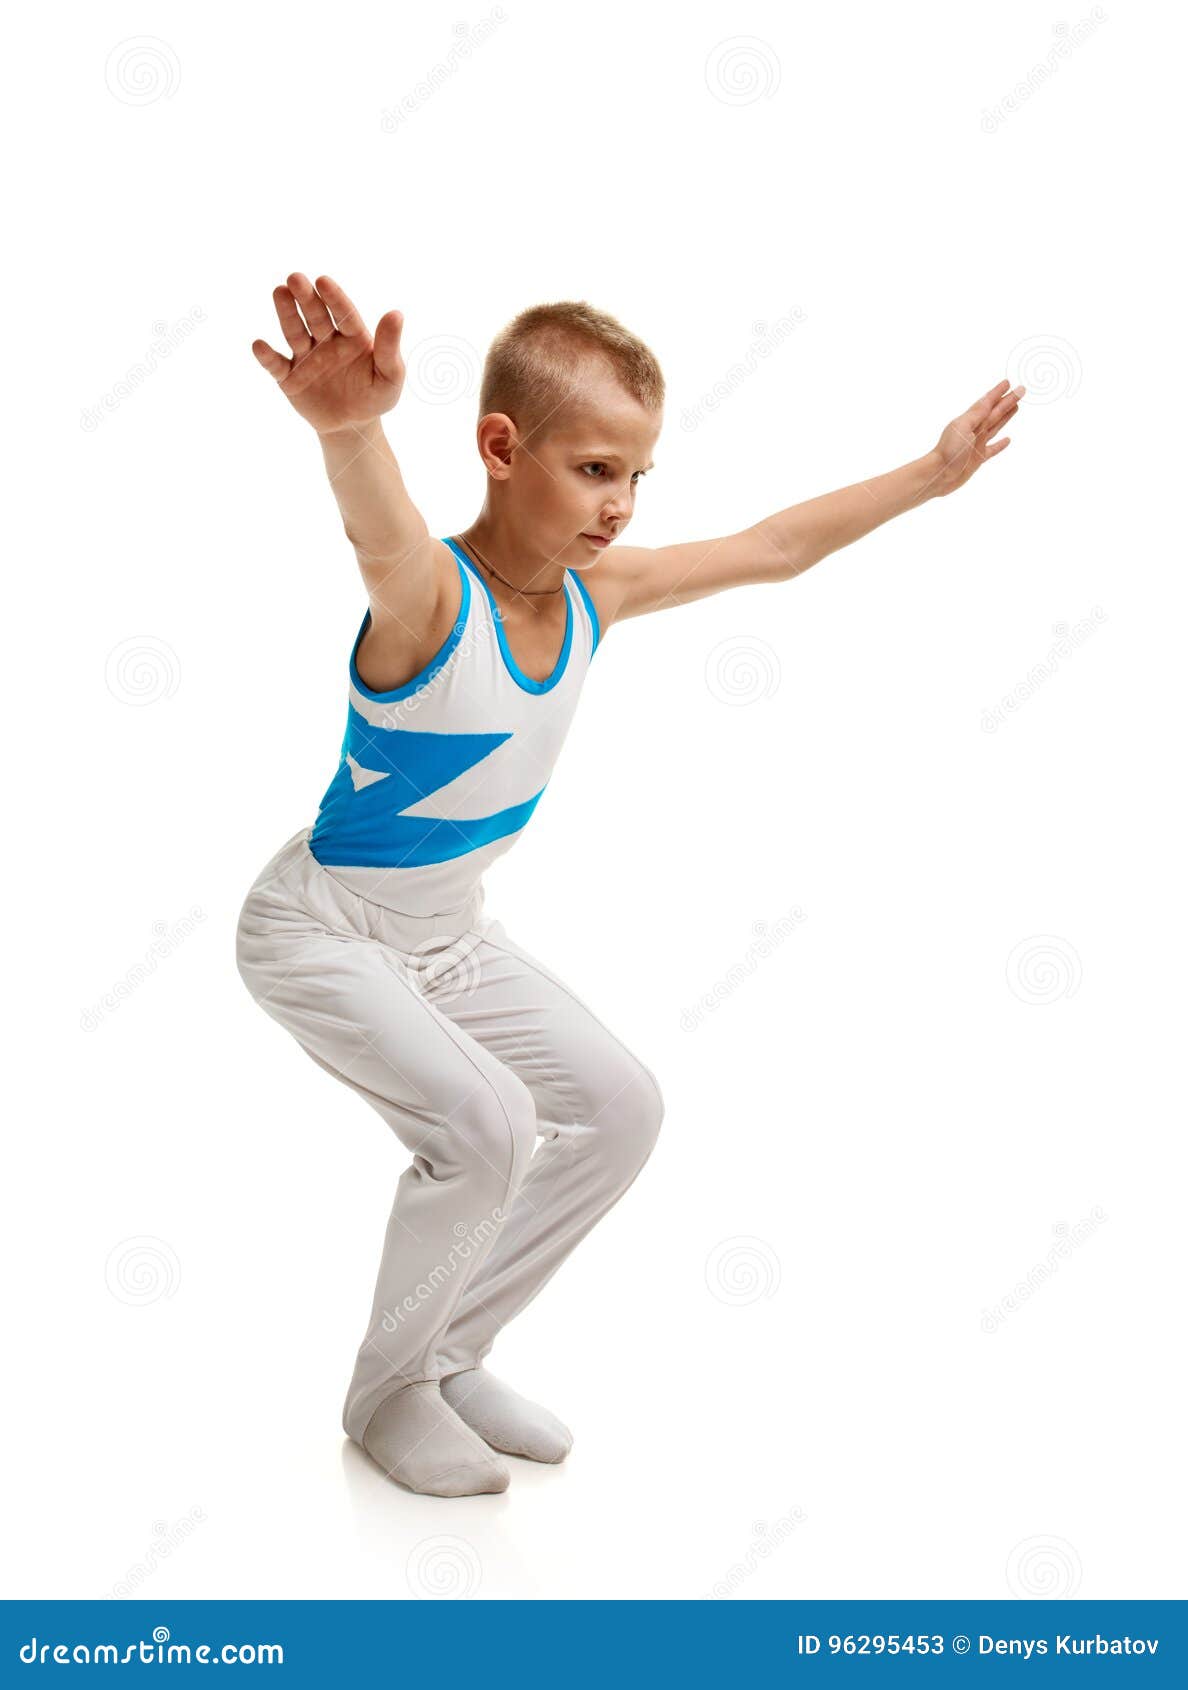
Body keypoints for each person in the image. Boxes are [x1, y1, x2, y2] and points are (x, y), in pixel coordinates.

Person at [237, 271, 1024, 1497]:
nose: (622, 504)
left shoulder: (601, 596)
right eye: (597, 469)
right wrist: (352, 430)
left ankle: (448, 1354)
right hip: (322, 931)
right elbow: (381, 536)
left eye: (638, 475)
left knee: (619, 1105)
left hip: (444, 936)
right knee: (486, 1123)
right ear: (502, 448)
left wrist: (931, 472)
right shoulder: (432, 603)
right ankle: (385, 1394)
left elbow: (771, 548)